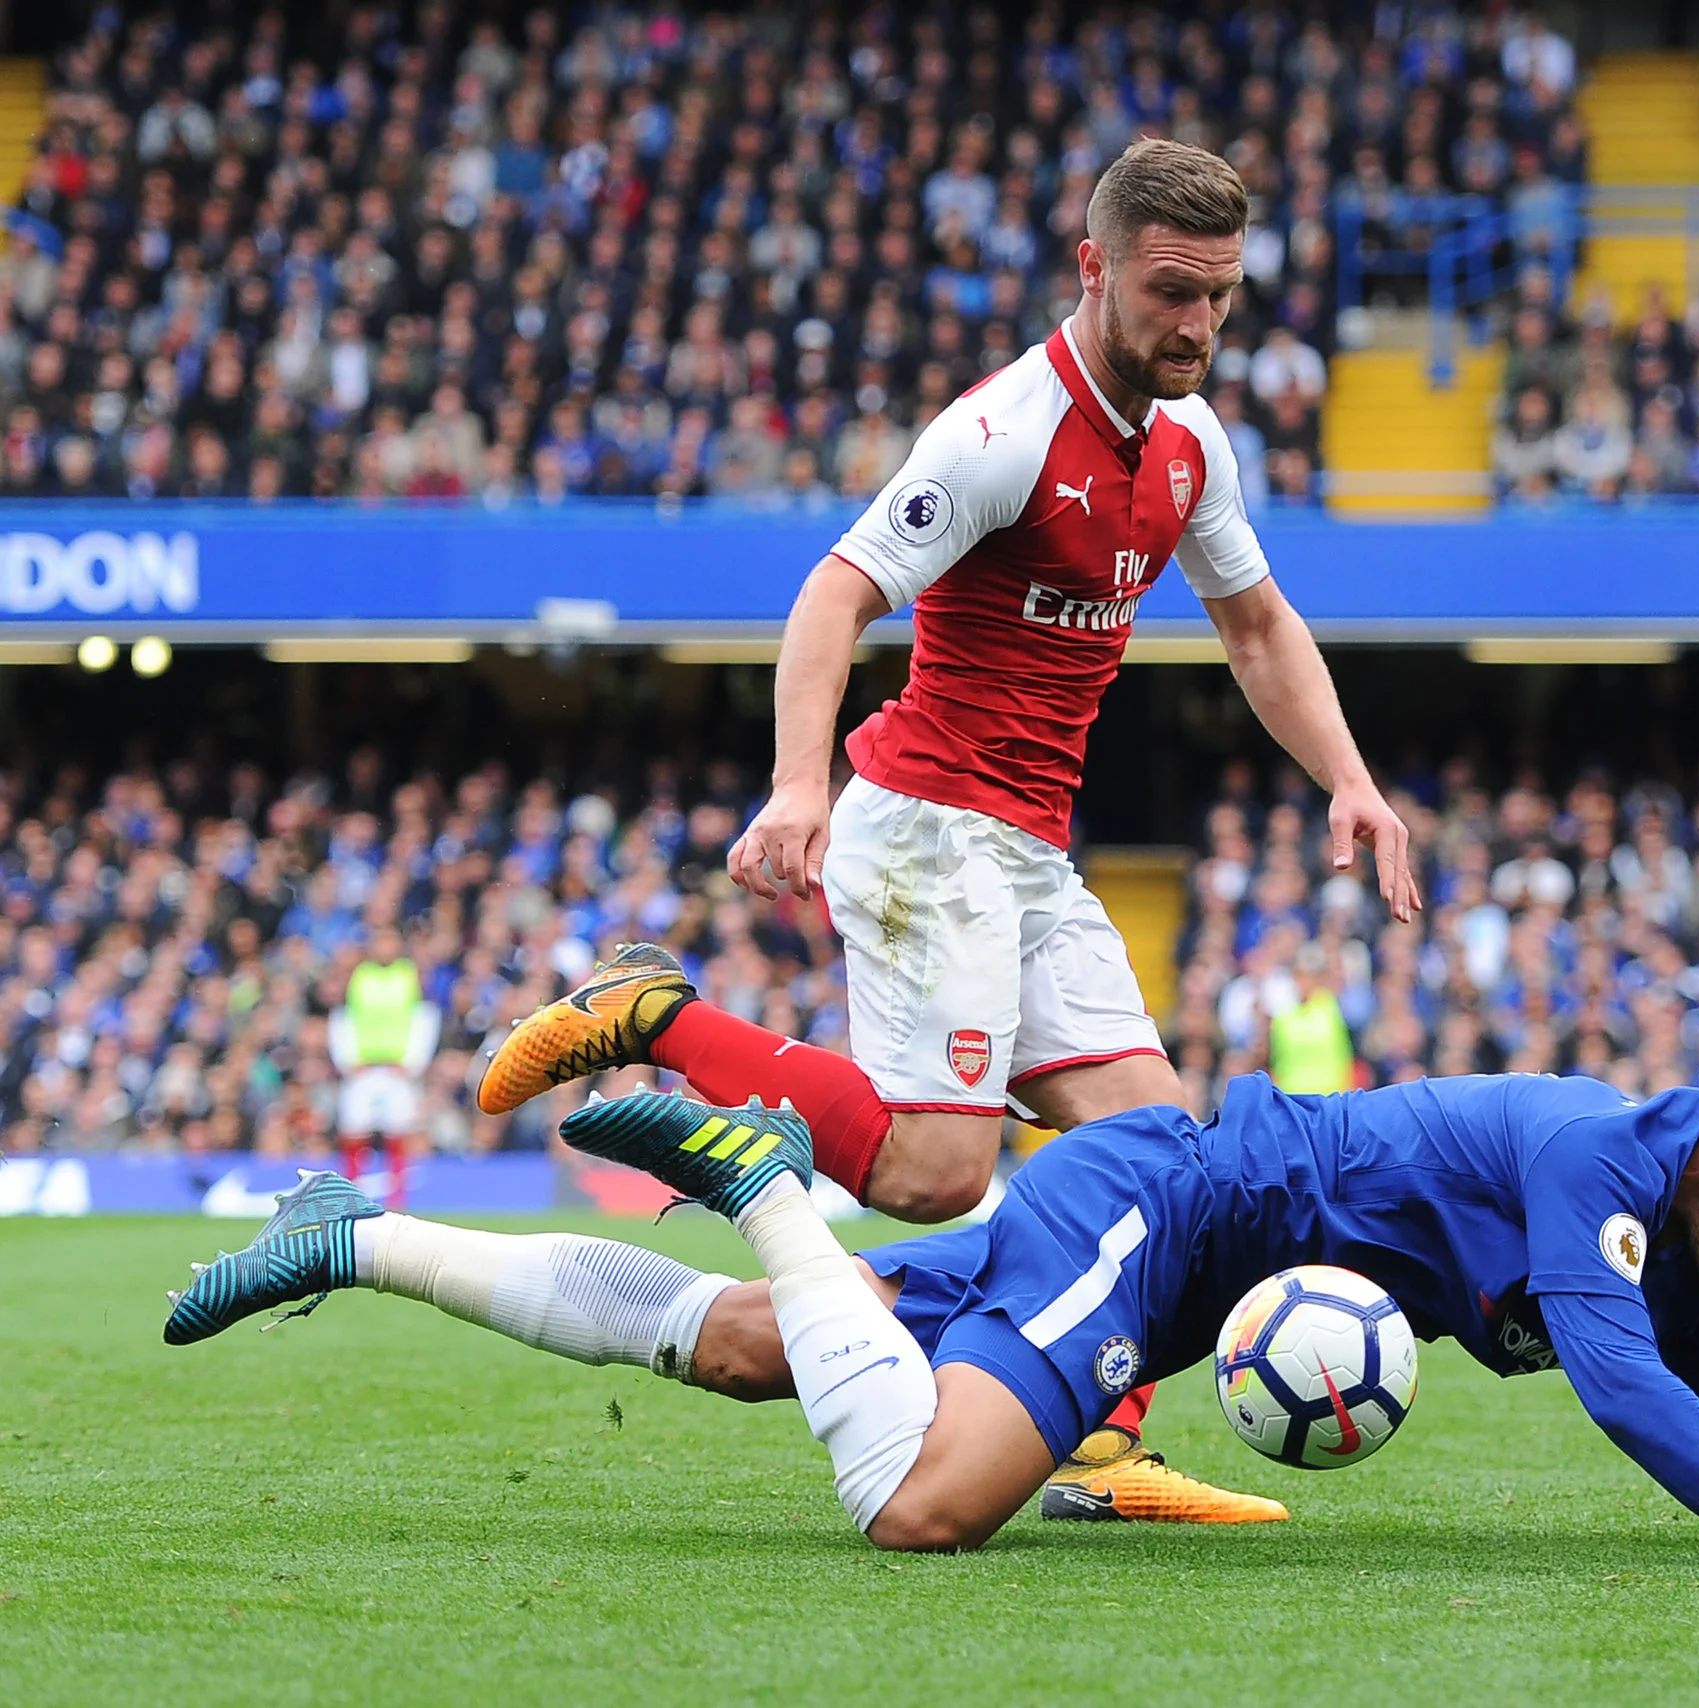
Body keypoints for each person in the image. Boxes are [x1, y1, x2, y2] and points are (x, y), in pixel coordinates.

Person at [472, 138, 1416, 1524]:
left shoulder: (1193, 446)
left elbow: (1258, 626)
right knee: (933, 1175)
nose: (1199, 325)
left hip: (1027, 849)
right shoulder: (1000, 436)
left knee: (1170, 1169)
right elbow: (832, 594)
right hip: (926, 826)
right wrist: (800, 786)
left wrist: (1350, 778)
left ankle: (1098, 1457)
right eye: (1172, 291)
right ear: (1095, 269)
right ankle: (656, 1014)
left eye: (1221, 296)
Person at [169, 1048, 1699, 1571]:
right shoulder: (1591, 1170)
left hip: (1168, 1265)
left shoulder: (1692, 1237)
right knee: (921, 1504)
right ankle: (769, 1168)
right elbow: (1625, 1396)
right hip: (1164, 1209)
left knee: (769, 1345)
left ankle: (352, 1235)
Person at [326, 926, 438, 1211]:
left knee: (398, 1131)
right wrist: (348, 1060)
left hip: (397, 1069)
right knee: (354, 1130)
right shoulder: (360, 976)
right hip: (362, 1068)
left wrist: (414, 1060)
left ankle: (397, 1197)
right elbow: (344, 1016)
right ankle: (351, 1193)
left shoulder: (409, 975)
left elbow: (424, 1016)